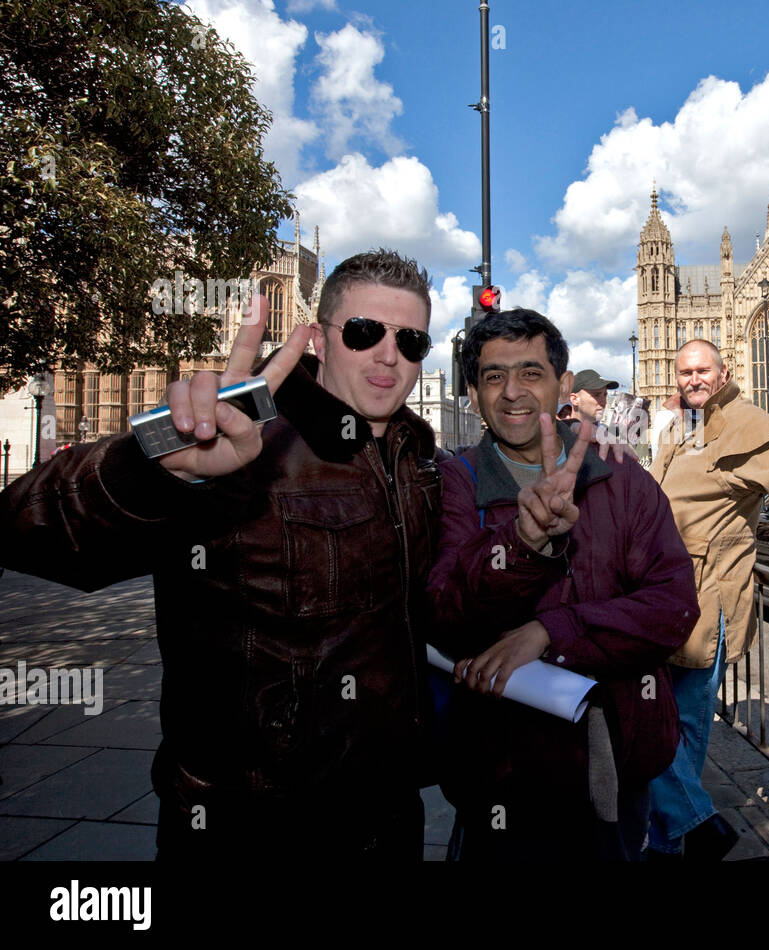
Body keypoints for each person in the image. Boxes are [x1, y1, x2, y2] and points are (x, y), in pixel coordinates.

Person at [0, 249, 442, 859]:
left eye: (411, 340)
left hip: (388, 814)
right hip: (250, 825)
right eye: (365, 333)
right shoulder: (244, 439)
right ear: (317, 336)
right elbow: (28, 528)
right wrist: (154, 463)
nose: (389, 355)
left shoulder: (418, 458)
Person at [427, 309, 698, 860]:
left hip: (616, 764)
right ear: (474, 394)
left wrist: (553, 631)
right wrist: (524, 543)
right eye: (493, 377)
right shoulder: (456, 483)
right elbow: (445, 610)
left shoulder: (622, 478)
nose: (511, 393)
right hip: (499, 770)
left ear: (563, 385)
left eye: (530, 373)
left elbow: (672, 608)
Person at [647, 339, 769, 859]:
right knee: (655, 720)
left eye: (702, 370)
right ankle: (682, 833)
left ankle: (679, 838)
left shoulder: (744, 424)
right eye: (684, 371)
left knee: (673, 724)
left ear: (723, 371)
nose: (692, 379)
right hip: (664, 598)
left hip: (706, 600)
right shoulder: (691, 426)